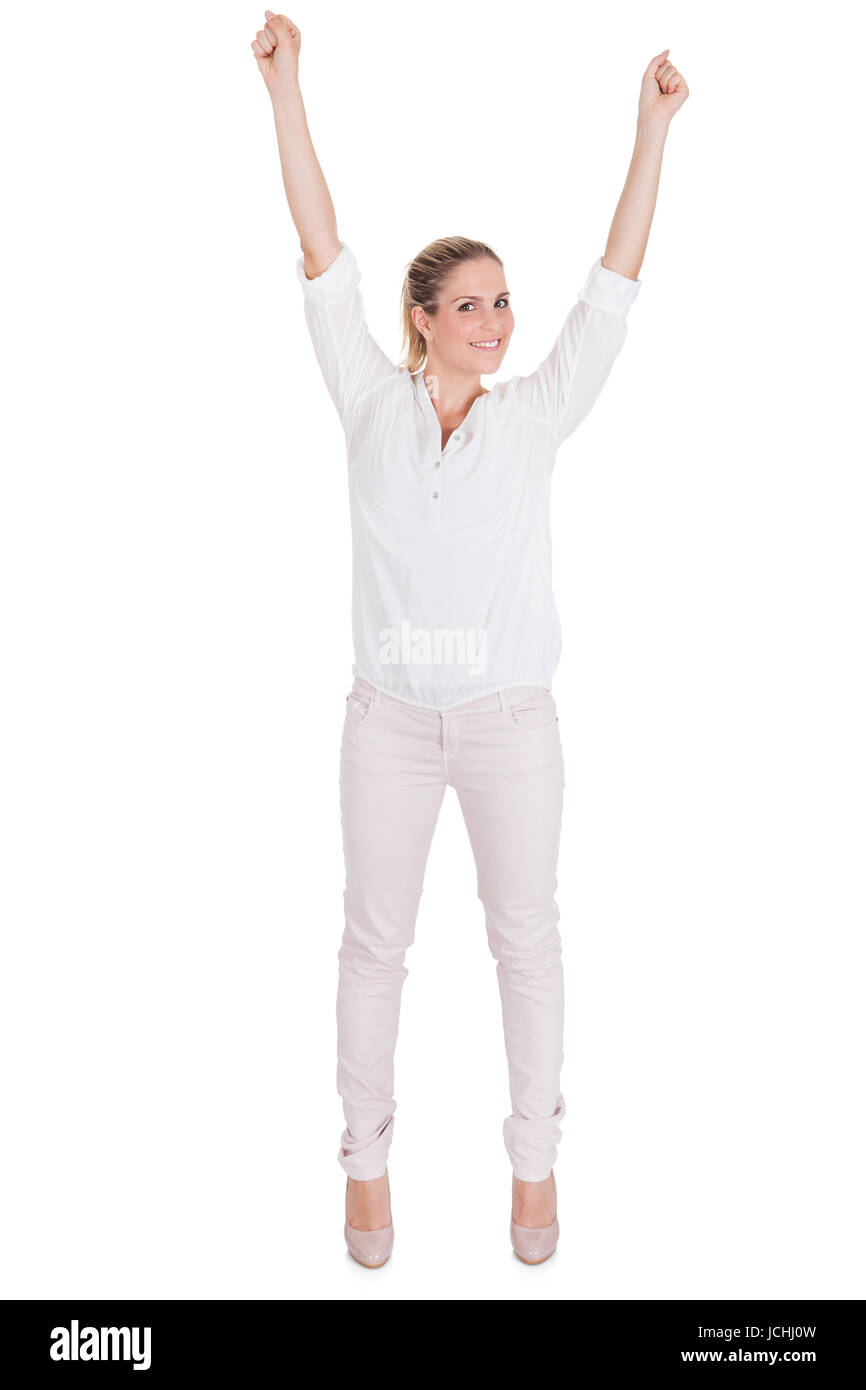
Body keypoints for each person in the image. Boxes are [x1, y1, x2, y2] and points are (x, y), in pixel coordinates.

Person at [251, 12, 689, 1267]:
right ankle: (367, 1170)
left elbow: (612, 286)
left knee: (525, 938)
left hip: (508, 724)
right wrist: (287, 91)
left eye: (503, 302)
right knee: (373, 941)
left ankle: (534, 1169)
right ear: (422, 318)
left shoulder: (534, 417)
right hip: (385, 724)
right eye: (474, 304)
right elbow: (316, 239)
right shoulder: (364, 399)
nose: (499, 321)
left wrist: (648, 128)